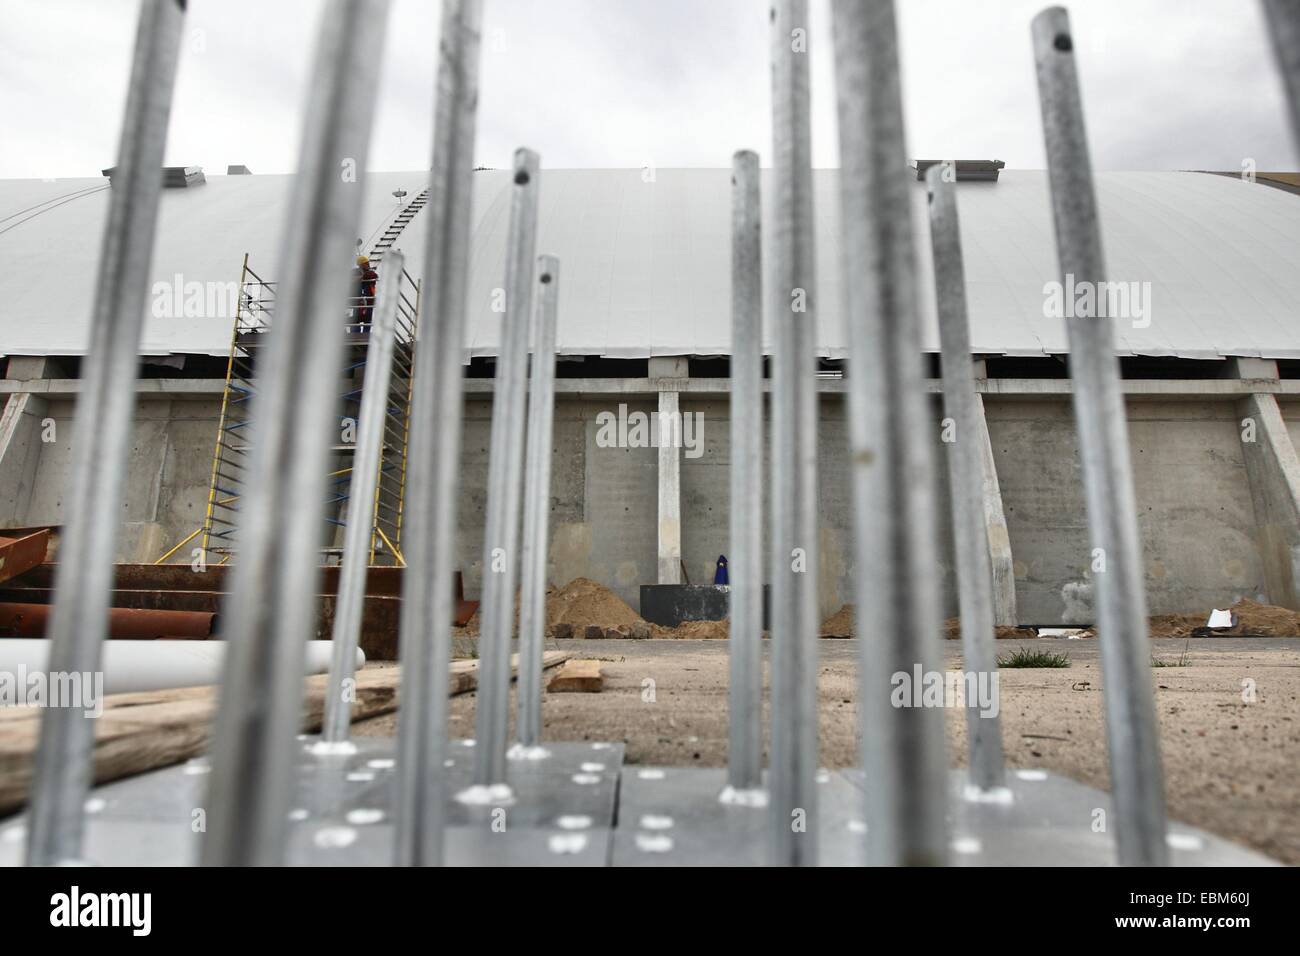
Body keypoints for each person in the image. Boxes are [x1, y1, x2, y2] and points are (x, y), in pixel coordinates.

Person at [351, 255, 378, 329]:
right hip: (358, 301)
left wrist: (362, 277)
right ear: (361, 265)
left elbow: (374, 276)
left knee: (367, 321)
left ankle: (365, 334)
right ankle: (355, 335)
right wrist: (361, 277)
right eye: (366, 263)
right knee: (356, 320)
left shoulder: (370, 273)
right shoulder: (355, 272)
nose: (368, 264)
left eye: (367, 263)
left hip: (368, 301)